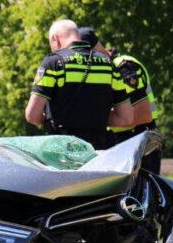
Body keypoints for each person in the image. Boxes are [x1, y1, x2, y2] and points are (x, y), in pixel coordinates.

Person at [25, 19, 136, 149]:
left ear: (55, 39)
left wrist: (46, 121)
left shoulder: (53, 63)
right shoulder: (108, 65)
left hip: (63, 151)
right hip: (98, 151)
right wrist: (93, 118)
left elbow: (32, 115)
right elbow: (127, 118)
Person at [80, 27, 160, 171]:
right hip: (121, 143)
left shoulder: (123, 66)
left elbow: (144, 115)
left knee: (144, 193)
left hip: (141, 143)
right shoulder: (103, 70)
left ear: (94, 49)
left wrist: (96, 118)